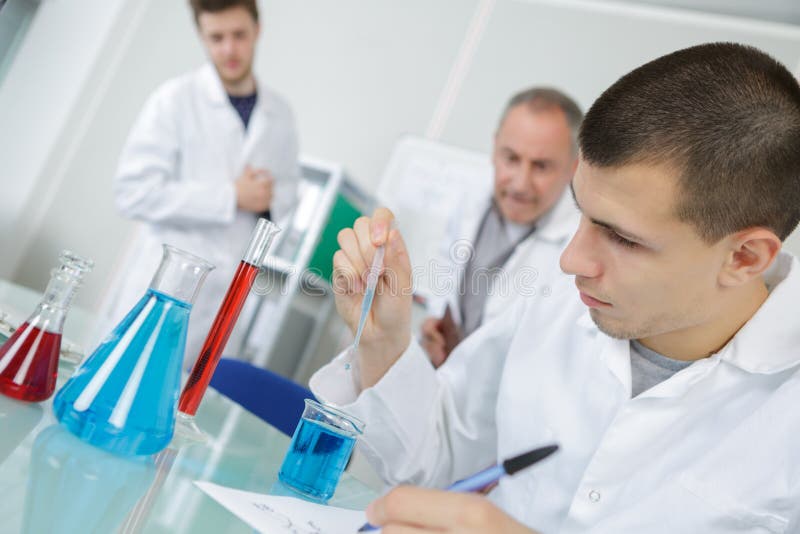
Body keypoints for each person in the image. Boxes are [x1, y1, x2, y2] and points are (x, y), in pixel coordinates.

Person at [312, 42, 800, 533]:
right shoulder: (558, 302)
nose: (571, 260)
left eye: (623, 237)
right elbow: (439, 458)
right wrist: (383, 340)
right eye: (581, 212)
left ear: (743, 257)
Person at [106, 0, 299, 366]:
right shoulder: (174, 100)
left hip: (223, 300)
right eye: (217, 38)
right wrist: (230, 197)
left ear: (257, 31)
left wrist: (269, 199)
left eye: (239, 35)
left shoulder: (280, 114)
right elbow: (132, 194)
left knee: (187, 409)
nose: (229, 49)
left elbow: (289, 190)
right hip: (163, 286)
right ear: (202, 37)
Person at [421, 88, 581, 367]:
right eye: (511, 158)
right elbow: (446, 279)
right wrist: (435, 327)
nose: (520, 183)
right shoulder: (470, 202)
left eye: (541, 166)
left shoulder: (580, 250)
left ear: (574, 168)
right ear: (495, 148)